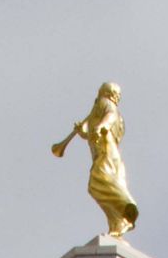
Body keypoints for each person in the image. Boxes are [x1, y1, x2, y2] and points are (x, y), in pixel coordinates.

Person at [51, 84, 138, 239]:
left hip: (107, 154)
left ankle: (126, 205)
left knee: (97, 181)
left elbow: (110, 116)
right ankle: (119, 221)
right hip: (109, 156)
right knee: (96, 187)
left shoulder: (105, 103)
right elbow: (90, 133)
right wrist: (83, 131)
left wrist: (100, 126)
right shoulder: (96, 110)